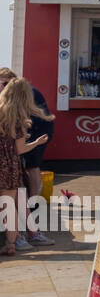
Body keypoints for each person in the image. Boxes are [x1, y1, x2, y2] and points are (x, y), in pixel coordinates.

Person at [0, 77, 51, 256]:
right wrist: (36, 143)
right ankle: (11, 244)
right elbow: (19, 149)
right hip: (10, 166)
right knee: (9, 207)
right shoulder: (19, 119)